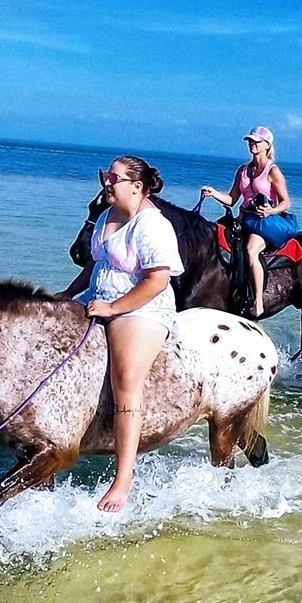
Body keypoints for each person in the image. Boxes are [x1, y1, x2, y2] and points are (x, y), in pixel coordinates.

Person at [59, 155, 184, 512]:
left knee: (127, 378)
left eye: (113, 178)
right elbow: (96, 265)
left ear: (137, 186)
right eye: (105, 176)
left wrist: (114, 309)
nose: (106, 183)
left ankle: (123, 478)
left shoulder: (152, 225)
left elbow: (157, 281)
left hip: (142, 306)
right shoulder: (105, 215)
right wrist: (67, 295)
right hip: (99, 297)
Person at [198, 126, 298, 318]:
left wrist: (271, 210)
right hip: (244, 218)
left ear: (267, 145)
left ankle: (258, 300)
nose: (252, 144)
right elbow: (232, 199)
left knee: (251, 250)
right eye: (250, 141)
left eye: (256, 141)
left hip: (263, 223)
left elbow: (286, 202)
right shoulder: (243, 170)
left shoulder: (272, 171)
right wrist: (213, 193)